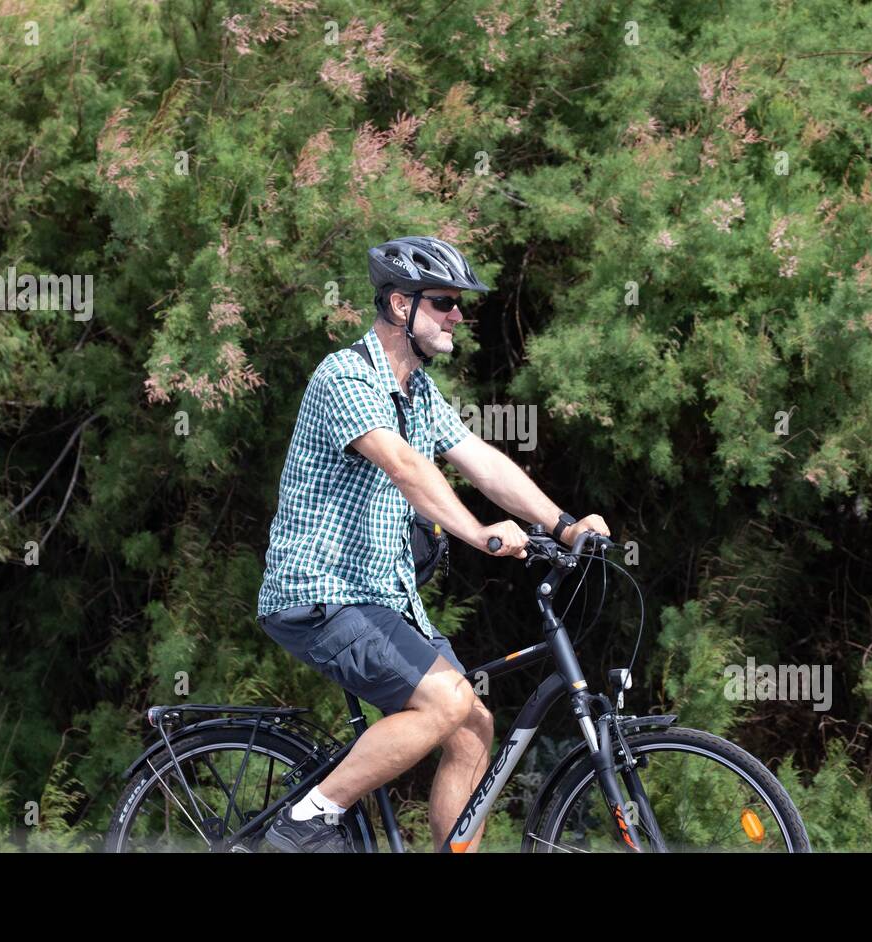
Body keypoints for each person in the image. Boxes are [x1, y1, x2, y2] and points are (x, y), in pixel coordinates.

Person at [255, 235, 609, 852]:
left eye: (458, 305)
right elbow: (403, 466)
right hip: (320, 594)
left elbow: (480, 460)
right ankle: (309, 818)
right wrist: (477, 532)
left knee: (473, 724)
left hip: (381, 601)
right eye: (444, 303)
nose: (458, 317)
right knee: (447, 700)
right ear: (399, 306)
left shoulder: (419, 393)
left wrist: (562, 524)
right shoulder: (345, 376)